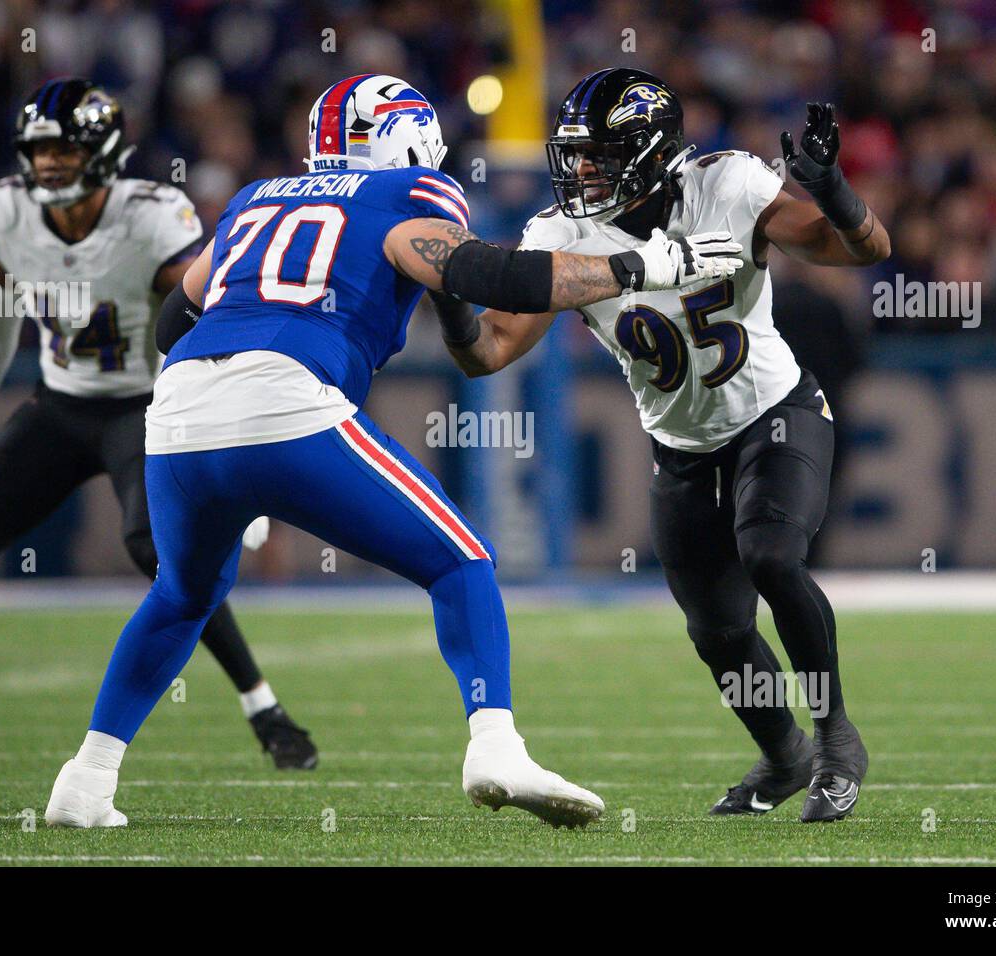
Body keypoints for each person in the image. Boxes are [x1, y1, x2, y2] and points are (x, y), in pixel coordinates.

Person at [43, 73, 733, 828]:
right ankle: (495, 745)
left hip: (176, 411)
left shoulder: (256, 198)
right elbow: (494, 274)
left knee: (182, 594)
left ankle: (85, 779)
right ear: (409, 141)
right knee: (460, 560)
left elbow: (178, 316)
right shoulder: (410, 195)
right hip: (284, 396)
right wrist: (646, 266)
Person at [434, 69, 891, 822]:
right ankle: (784, 756)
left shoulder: (729, 184)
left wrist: (835, 191)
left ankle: (836, 734)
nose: (578, 170)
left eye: (598, 154)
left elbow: (859, 249)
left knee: (771, 554)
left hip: (776, 413)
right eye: (575, 154)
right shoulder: (561, 235)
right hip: (680, 446)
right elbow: (488, 351)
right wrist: (444, 290)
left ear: (648, 152)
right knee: (716, 632)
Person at [0, 79, 317, 773]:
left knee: (158, 553)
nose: (48, 165)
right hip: (60, 402)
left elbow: (208, 326)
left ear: (101, 152)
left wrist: (230, 447)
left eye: (64, 149)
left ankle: (265, 708)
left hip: (147, 405)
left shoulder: (153, 218)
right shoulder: (6, 211)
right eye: (38, 152)